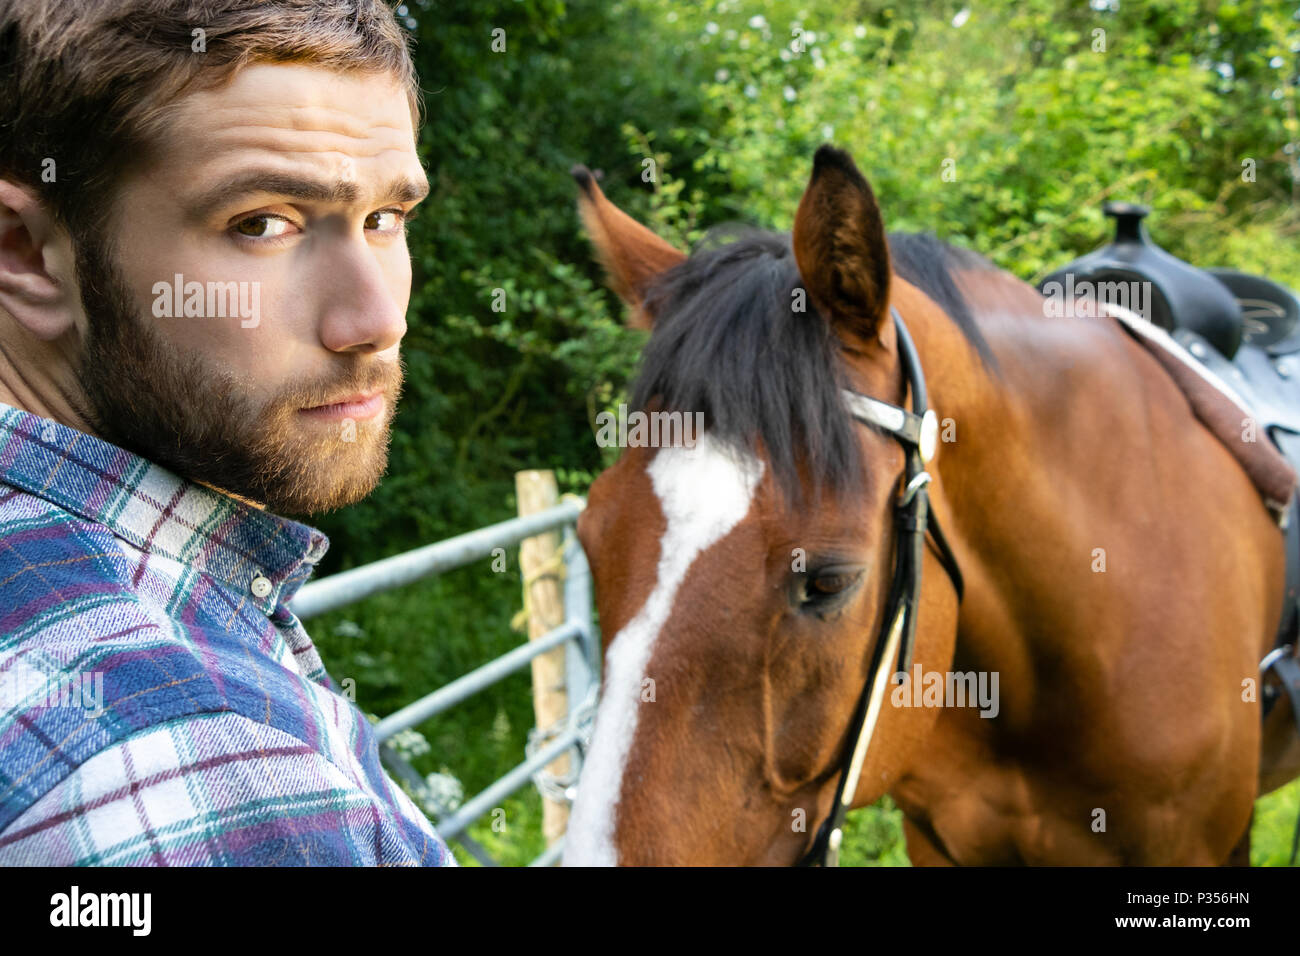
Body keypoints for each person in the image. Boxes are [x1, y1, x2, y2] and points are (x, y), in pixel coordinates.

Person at [0, 0, 455, 865]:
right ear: (26, 252)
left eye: (387, 219)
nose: (374, 320)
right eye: (263, 224)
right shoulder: (205, 773)